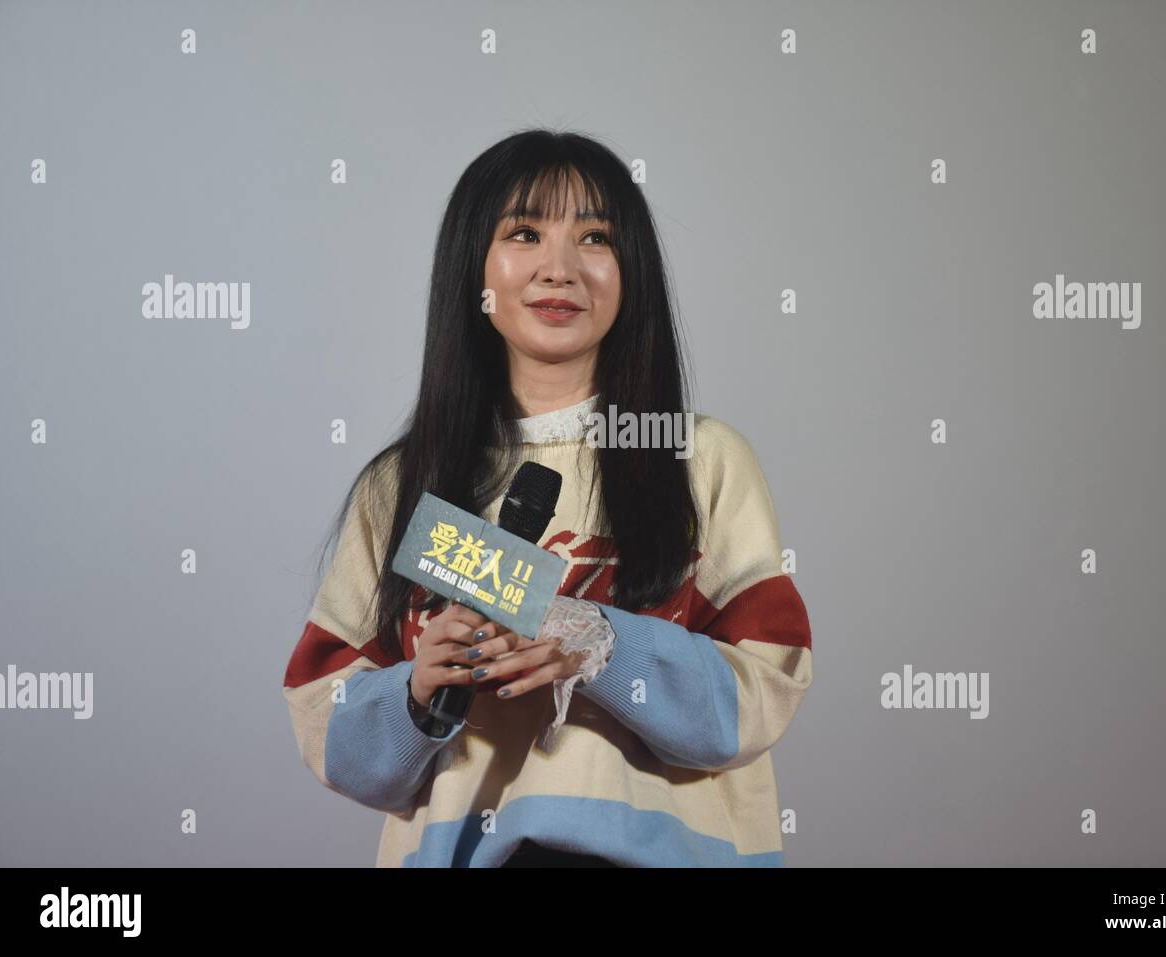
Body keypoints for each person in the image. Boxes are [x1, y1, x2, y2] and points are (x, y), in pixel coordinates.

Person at [281, 128, 813, 867]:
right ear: (475, 268)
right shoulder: (400, 487)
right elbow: (324, 720)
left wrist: (600, 641)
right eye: (524, 232)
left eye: (595, 237)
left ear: (633, 275)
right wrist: (415, 691)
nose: (559, 268)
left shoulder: (701, 459)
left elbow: (767, 685)